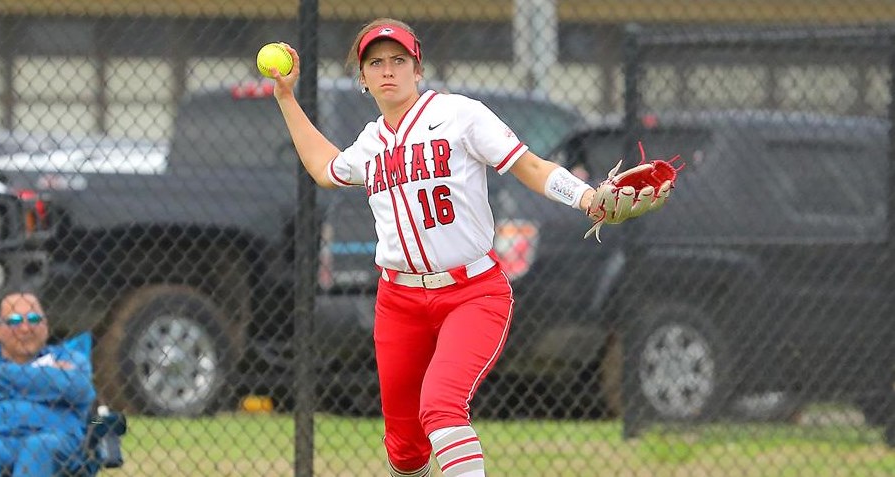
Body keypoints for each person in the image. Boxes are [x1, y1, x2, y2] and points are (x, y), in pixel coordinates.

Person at [268, 18, 670, 477]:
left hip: (472, 293)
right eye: (375, 63)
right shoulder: (371, 143)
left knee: (440, 405)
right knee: (404, 448)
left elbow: (531, 166)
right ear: (362, 78)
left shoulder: (461, 115)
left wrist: (586, 198)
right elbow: (324, 168)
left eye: (398, 60)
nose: (387, 70)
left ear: (417, 69)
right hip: (398, 301)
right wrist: (285, 97)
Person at [0, 292, 95, 477]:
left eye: (34, 319)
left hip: (52, 438)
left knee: (37, 446)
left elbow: (79, 389)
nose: (25, 328)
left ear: (45, 326)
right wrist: (44, 380)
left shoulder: (68, 357)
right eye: (14, 320)